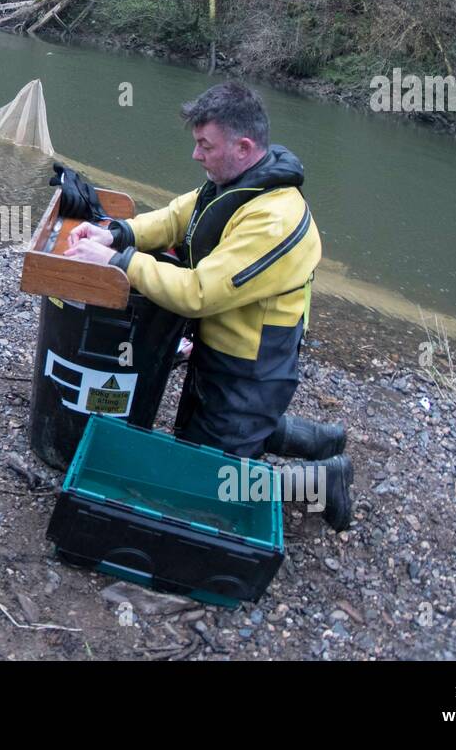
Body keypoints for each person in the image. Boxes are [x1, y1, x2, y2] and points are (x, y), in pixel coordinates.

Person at [65, 81, 354, 531]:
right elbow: (177, 218)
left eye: (205, 145)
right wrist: (117, 233)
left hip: (253, 368)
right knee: (193, 442)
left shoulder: (275, 218)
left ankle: (321, 479)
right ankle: (316, 438)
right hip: (218, 349)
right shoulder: (232, 182)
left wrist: (119, 261)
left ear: (242, 146)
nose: (196, 155)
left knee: (206, 491)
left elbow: (199, 293)